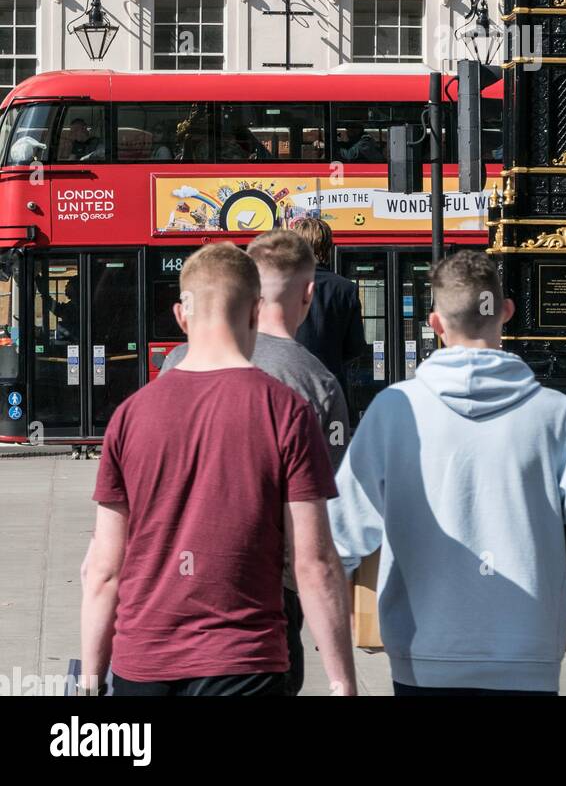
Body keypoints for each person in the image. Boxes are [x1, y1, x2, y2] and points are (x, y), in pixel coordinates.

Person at [328, 249, 566, 697]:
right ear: (506, 311)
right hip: (527, 652)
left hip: (422, 655)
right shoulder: (557, 414)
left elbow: (341, 537)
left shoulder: (394, 410)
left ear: (435, 323)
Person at [80, 242, 356, 698]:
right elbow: (313, 562)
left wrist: (90, 678)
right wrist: (342, 680)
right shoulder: (286, 410)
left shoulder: (129, 416)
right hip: (244, 660)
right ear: (254, 310)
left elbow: (104, 569)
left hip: (142, 661)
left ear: (181, 316)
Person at [159, 231, 350, 696]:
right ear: (309, 293)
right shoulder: (317, 384)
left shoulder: (176, 362)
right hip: (267, 596)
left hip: (172, 590)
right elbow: (320, 523)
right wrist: (342, 678)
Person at [291, 218, 366, 402]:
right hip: (331, 390)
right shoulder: (346, 288)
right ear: (328, 246)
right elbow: (355, 347)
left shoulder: (282, 285)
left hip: (291, 387)